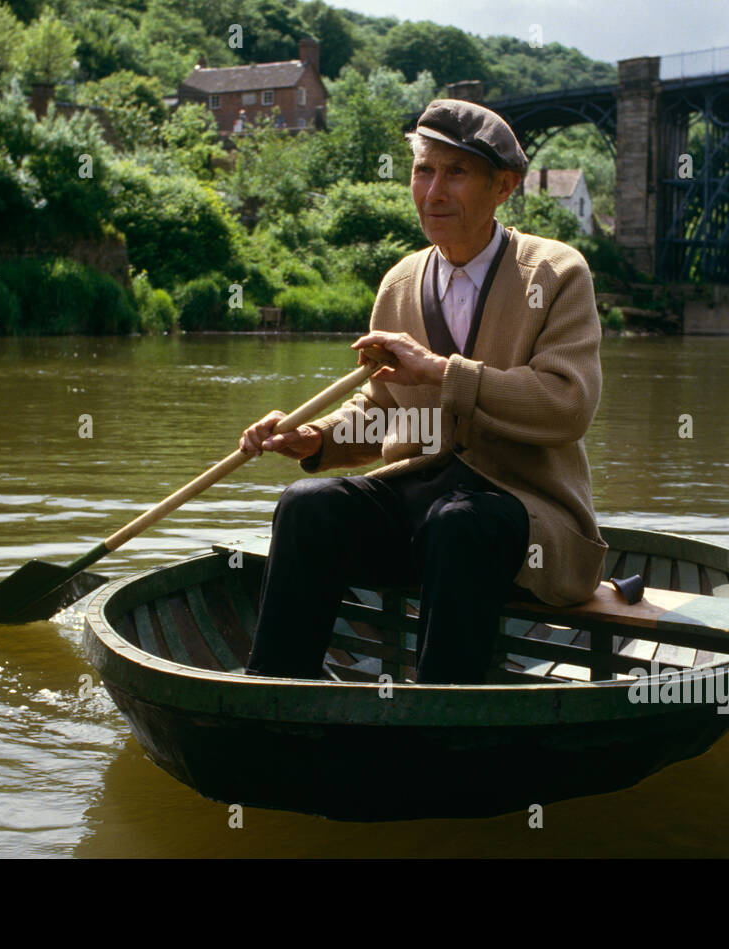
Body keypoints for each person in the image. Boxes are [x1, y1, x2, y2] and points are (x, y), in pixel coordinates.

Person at [239, 98, 607, 684]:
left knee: (460, 524)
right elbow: (382, 413)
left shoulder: (557, 273)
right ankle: (277, 695)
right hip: (419, 507)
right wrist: (311, 439)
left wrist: (442, 371)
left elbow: (567, 406)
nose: (433, 192)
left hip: (527, 521)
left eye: (456, 173)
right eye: (423, 170)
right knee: (308, 507)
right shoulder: (400, 283)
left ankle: (441, 718)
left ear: (504, 186)